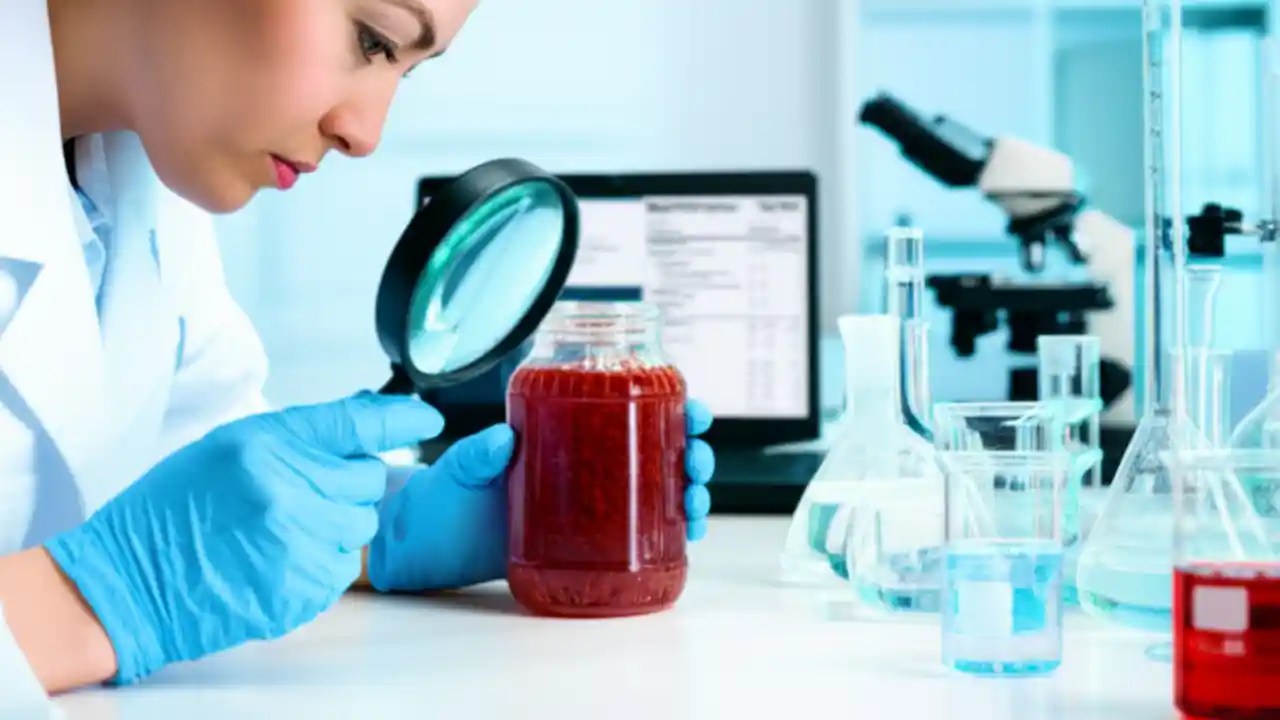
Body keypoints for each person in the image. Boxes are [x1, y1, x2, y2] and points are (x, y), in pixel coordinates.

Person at [0, 0, 717, 711]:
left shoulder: (142, 166)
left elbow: (183, 463)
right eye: (373, 41)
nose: (364, 132)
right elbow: (142, 549)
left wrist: (380, 529)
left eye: (408, 73)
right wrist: (102, 594)